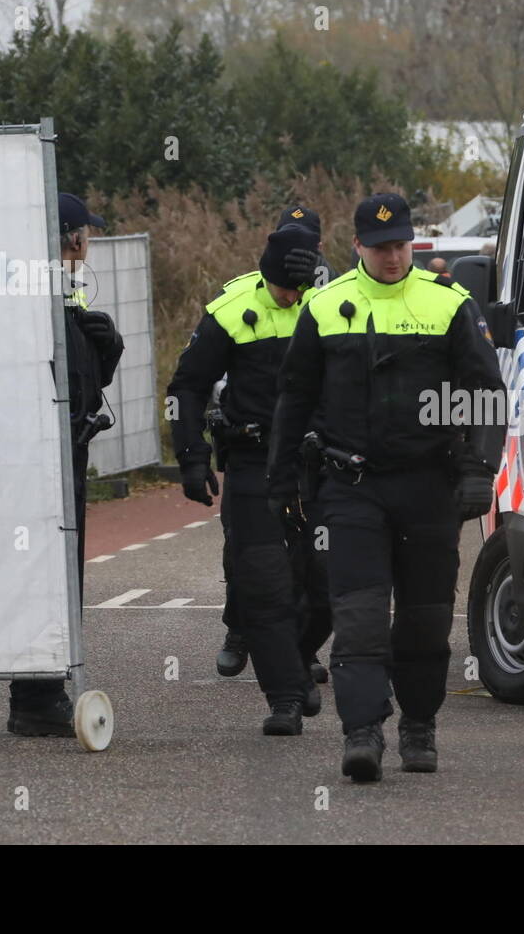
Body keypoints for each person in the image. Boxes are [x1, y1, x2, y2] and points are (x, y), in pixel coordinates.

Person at [268, 192, 506, 781]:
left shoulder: (450, 303)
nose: (392, 257)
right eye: (380, 248)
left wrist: (480, 468)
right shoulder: (325, 306)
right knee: (359, 619)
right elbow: (294, 398)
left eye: (400, 245)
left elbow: (485, 392)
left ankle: (419, 727)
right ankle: (363, 731)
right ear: (357, 248)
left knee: (424, 622)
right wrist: (281, 481)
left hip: (429, 488)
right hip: (350, 488)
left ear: (411, 244)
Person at [169, 224, 324, 735]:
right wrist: (192, 458)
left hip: (321, 466)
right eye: (285, 289)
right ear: (267, 274)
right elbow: (187, 386)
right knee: (264, 584)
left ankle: (298, 663)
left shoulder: (333, 304)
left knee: (326, 584)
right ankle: (282, 698)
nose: (293, 298)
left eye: (300, 289)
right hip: (255, 463)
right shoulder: (231, 311)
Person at [9, 192, 124, 736]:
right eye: (87, 234)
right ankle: (34, 696)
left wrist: (105, 352)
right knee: (47, 575)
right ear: (72, 238)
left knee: (62, 574)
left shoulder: (61, 297)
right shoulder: (36, 300)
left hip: (65, 459)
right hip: (41, 468)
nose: (90, 244)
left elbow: (79, 385)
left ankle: (43, 689)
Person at [215, 206, 332, 686]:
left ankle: (301, 650)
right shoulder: (242, 294)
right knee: (246, 550)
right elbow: (210, 370)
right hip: (253, 447)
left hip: (309, 447)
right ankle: (238, 629)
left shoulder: (335, 295)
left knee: (310, 556)